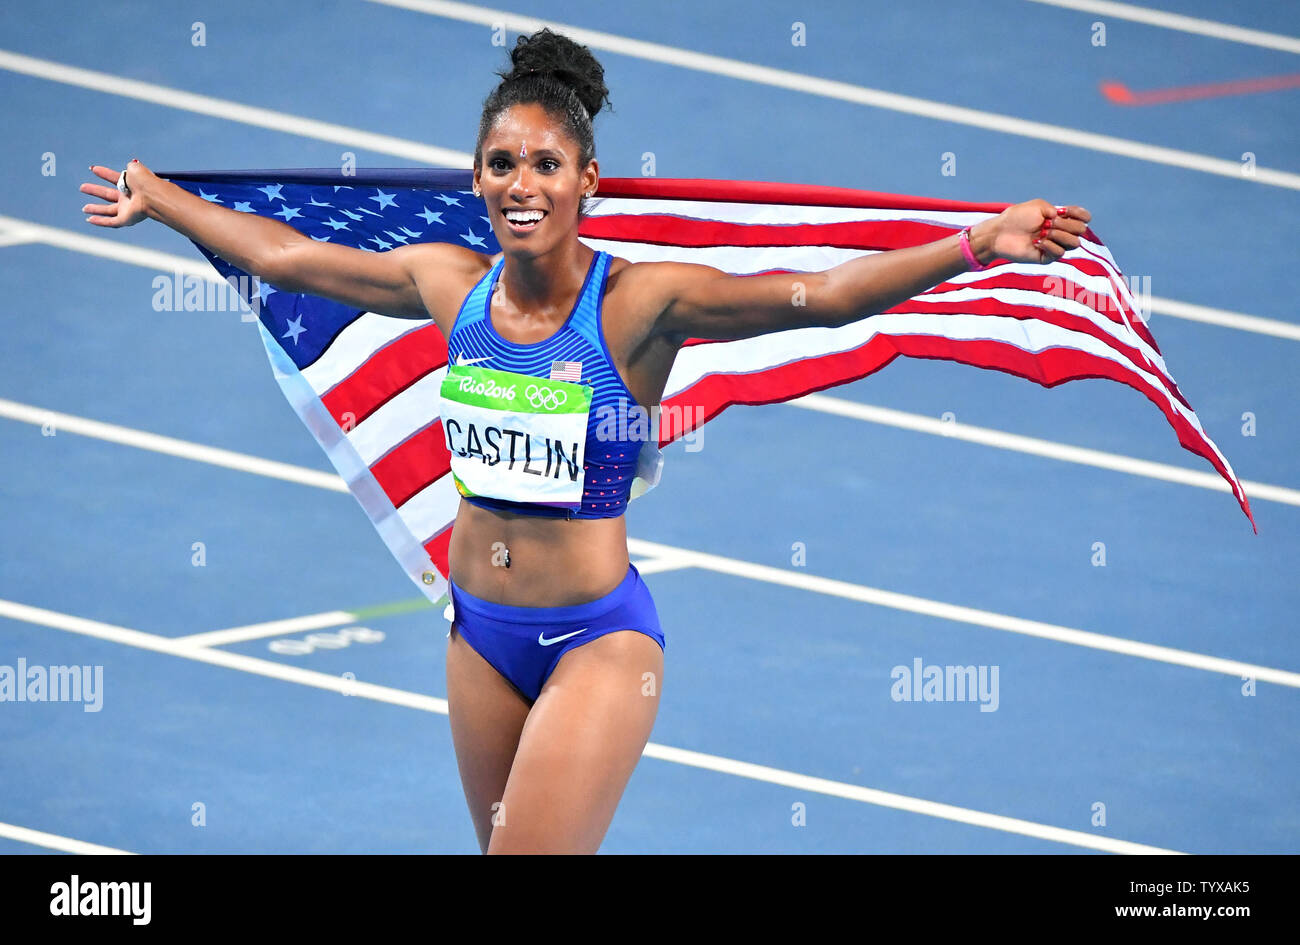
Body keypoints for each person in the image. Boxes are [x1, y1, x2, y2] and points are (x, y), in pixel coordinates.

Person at [81, 27, 1091, 854]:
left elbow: (821, 298)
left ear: (588, 180)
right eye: (501, 164)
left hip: (598, 643)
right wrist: (159, 197)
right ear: (475, 179)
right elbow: (293, 259)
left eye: (546, 165)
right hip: (478, 633)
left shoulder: (643, 305)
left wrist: (975, 242)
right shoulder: (444, 283)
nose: (522, 185)